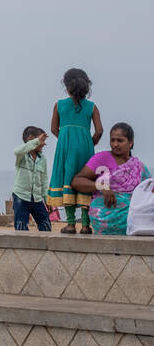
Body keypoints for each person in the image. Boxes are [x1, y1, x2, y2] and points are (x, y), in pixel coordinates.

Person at [47, 68, 103, 234]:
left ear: (66, 85)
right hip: (85, 149)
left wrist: (65, 140)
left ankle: (71, 224)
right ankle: (86, 225)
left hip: (65, 148)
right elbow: (99, 131)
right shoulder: (92, 107)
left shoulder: (59, 105)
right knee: (85, 181)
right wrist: (89, 143)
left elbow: (53, 128)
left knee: (68, 179)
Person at [71, 123, 149, 236]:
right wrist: (101, 186)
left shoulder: (138, 167)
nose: (115, 144)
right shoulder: (101, 159)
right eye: (112, 140)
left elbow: (147, 191)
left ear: (130, 142)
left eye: (120, 140)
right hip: (104, 220)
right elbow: (77, 181)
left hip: (133, 224)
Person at [12, 126, 51, 232]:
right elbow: (17, 151)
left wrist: (46, 199)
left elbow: (44, 180)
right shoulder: (22, 156)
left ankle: (43, 247)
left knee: (45, 223)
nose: (44, 144)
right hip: (21, 196)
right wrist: (37, 141)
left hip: (37, 198)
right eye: (42, 141)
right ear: (31, 140)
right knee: (21, 225)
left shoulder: (42, 159)